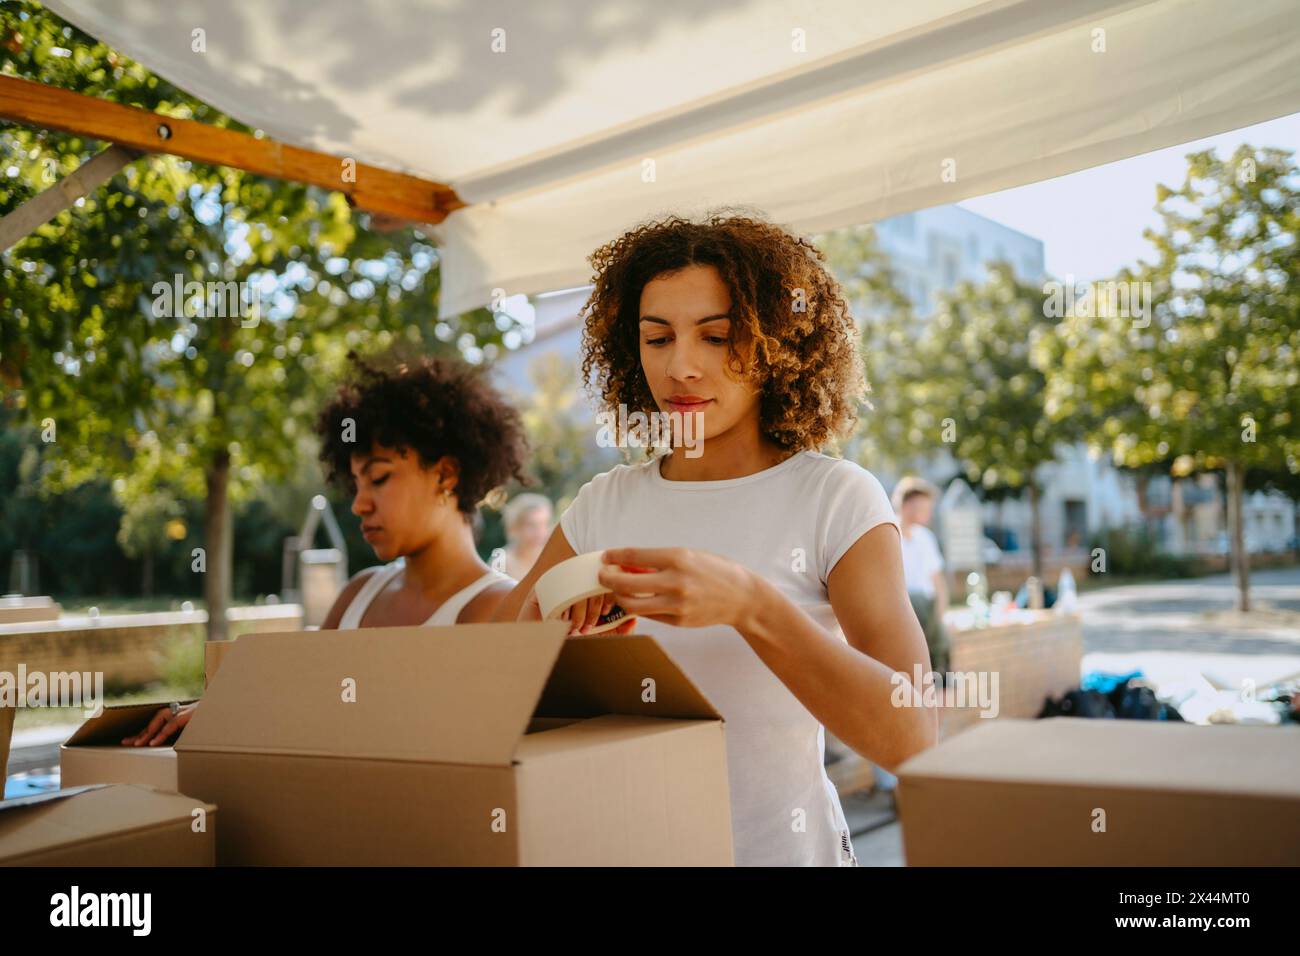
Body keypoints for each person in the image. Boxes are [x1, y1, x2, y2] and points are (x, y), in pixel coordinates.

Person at [494, 211, 938, 866]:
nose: (682, 366)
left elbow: (914, 738)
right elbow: (487, 695)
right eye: (657, 338)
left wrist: (752, 607)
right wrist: (564, 641)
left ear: (775, 342)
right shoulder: (601, 505)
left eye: (716, 335)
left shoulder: (837, 499)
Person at [122, 350, 529, 747]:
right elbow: (299, 703)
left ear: (445, 473)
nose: (358, 504)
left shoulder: (499, 610)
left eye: (380, 478)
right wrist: (225, 707)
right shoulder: (359, 593)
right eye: (355, 484)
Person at [893, 476, 950, 677]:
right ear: (907, 505)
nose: (928, 512)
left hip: (928, 613)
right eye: (923, 507)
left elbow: (938, 581)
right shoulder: (888, 535)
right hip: (904, 611)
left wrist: (940, 617)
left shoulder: (925, 538)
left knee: (940, 664)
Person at [497, 493, 554, 580]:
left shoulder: (554, 558)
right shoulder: (501, 561)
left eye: (544, 524)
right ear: (515, 527)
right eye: (531, 525)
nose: (540, 532)